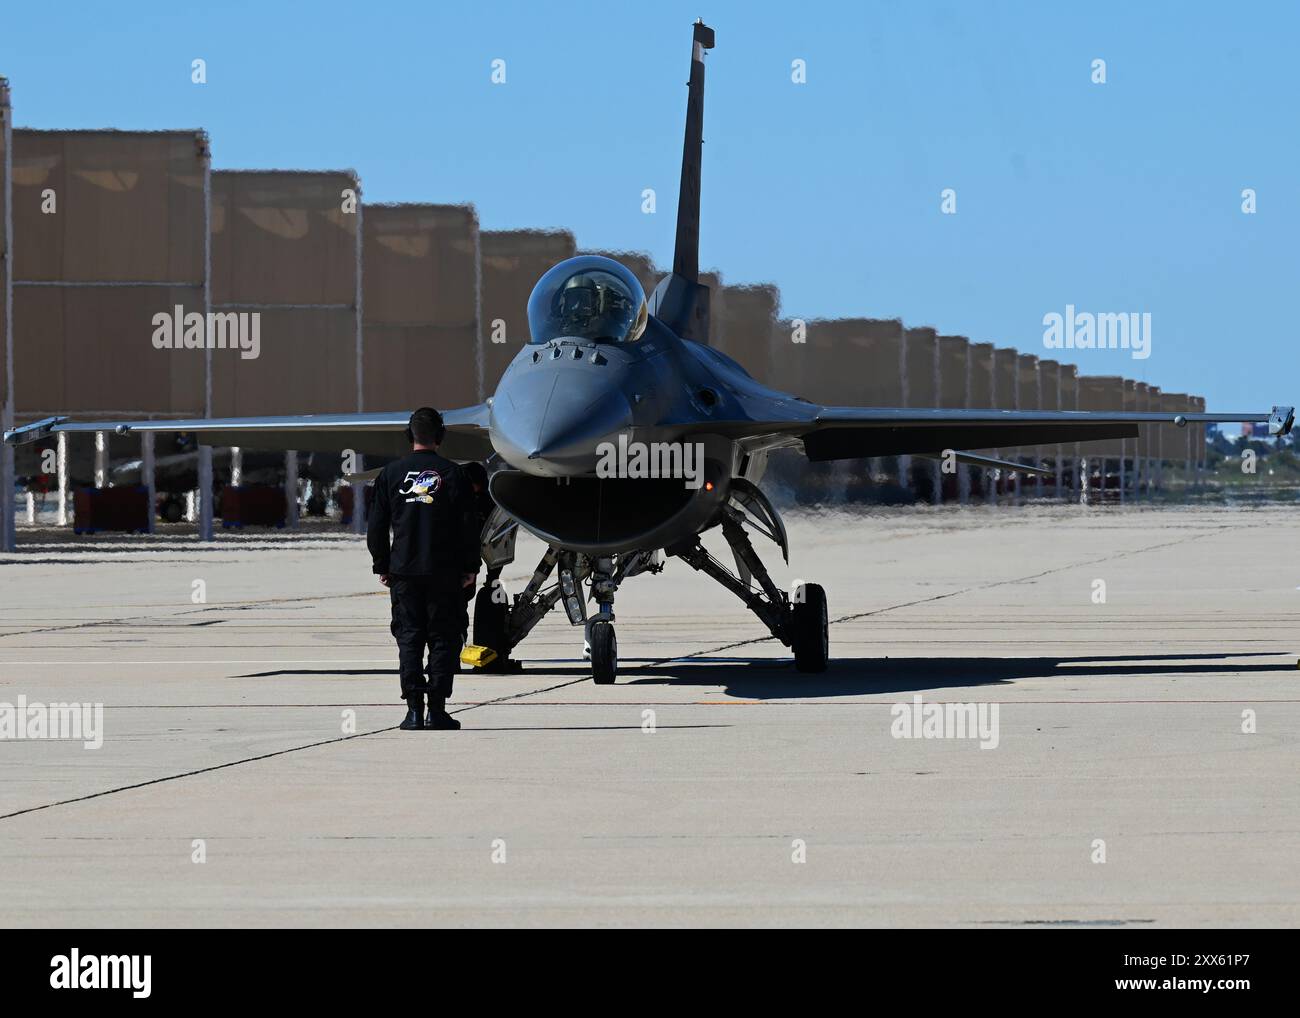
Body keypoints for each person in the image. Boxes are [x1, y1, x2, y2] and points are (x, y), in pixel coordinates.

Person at [367, 407, 480, 731]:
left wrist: (382, 564)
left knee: (410, 638)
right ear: (441, 437)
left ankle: (414, 711)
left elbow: (376, 527)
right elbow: (469, 527)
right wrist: (470, 567)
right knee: (443, 638)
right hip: (444, 572)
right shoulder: (454, 475)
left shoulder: (390, 474)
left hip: (404, 571)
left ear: (409, 436)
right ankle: (437, 710)